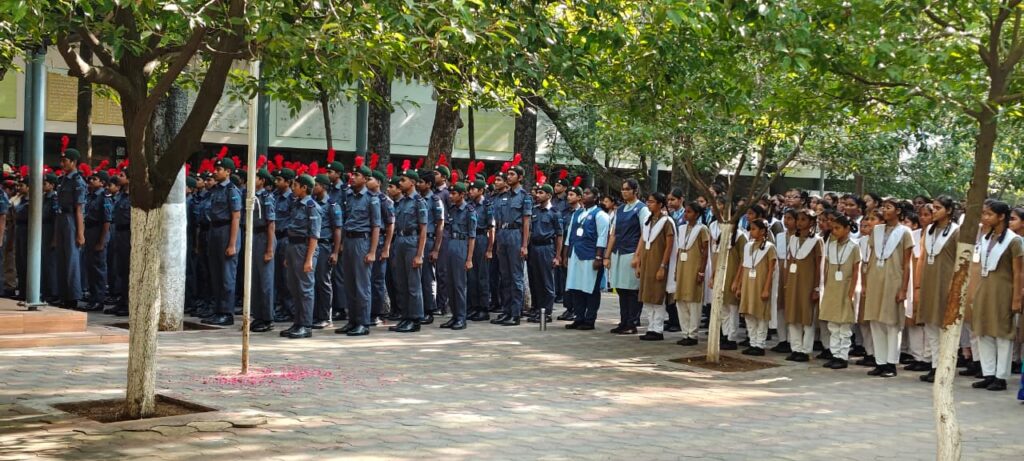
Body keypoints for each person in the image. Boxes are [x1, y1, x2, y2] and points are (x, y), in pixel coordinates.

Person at [970, 200, 1022, 391]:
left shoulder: (1014, 240)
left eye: (989, 214)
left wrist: (1016, 298)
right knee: (983, 331)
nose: (985, 217)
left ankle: (1001, 377)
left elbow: (1018, 272)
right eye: (984, 213)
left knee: (1002, 333)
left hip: (1003, 291)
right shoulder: (985, 238)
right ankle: (988, 373)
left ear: (1001, 217)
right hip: (984, 289)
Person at [863, 198, 914, 377]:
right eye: (883, 207)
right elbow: (870, 257)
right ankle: (880, 361)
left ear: (898, 211)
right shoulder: (876, 230)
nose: (884, 210)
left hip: (894, 280)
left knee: (892, 323)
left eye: (889, 207)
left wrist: (903, 289)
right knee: (875, 321)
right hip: (876, 278)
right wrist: (866, 282)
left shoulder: (905, 232)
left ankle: (891, 363)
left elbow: (907, 263)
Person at [916, 196, 960, 382]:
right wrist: (918, 286)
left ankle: (946, 369)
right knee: (931, 328)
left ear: (949, 211)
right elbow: (923, 258)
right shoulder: (929, 230)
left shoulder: (957, 231)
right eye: (933, 207)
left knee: (945, 329)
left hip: (946, 283)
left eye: (938, 208)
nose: (934, 211)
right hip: (929, 283)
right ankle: (935, 366)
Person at [335, 163, 381, 336]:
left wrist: (372, 251)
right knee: (350, 284)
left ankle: (363, 322)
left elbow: (376, 226)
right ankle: (352, 320)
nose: (352, 177)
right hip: (349, 241)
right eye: (352, 174)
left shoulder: (372, 198)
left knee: (362, 286)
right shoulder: (349, 196)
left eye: (357, 175)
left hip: (362, 242)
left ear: (365, 178)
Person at [280, 174, 322, 339]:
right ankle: (297, 322)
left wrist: (309, 258)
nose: (293, 188)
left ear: (304, 187)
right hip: (293, 247)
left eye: (296, 185)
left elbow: (314, 235)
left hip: (304, 248)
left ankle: (306, 325)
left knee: (305, 289)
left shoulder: (311, 206)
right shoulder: (297, 204)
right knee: (294, 288)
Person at [202, 157, 242, 326]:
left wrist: (232, 243)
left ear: (228, 172)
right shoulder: (215, 190)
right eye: (216, 169)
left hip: (227, 230)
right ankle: (218, 309)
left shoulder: (231, 190)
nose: (216, 171)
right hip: (215, 230)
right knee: (216, 273)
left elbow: (236, 216)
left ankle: (227, 312)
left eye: (219, 169)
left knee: (227, 275)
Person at [606, 179, 650, 335]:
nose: (624, 192)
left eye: (627, 189)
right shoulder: (621, 209)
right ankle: (623, 320)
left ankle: (632, 322)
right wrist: (607, 255)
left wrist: (638, 255)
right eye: (622, 189)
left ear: (634, 191)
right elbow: (613, 234)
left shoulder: (642, 209)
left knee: (632, 289)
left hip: (631, 251)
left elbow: (644, 234)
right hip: (618, 252)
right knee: (621, 289)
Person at [818, 214, 861, 369]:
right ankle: (834, 353)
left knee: (844, 325)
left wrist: (851, 291)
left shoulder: (854, 246)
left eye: (838, 228)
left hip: (846, 288)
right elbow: (828, 267)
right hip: (832, 289)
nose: (834, 231)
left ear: (847, 229)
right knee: (832, 324)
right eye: (833, 228)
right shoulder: (831, 244)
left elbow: (857, 270)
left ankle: (843, 356)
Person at [564, 187, 610, 330]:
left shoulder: (600, 214)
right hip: (576, 254)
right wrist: (566, 254)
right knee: (576, 287)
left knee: (590, 288)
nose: (584, 195)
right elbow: (569, 235)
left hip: (590, 255)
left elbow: (603, 236)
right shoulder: (577, 213)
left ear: (596, 197)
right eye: (584, 193)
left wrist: (599, 257)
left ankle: (590, 320)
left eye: (588, 193)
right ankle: (579, 317)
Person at [491, 167, 532, 326]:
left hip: (516, 234)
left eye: (512, 174)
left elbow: (527, 223)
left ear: (520, 177)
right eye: (508, 174)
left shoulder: (524, 197)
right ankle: (506, 311)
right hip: (502, 234)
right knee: (505, 276)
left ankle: (515, 313)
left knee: (516, 277)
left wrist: (524, 245)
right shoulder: (503, 196)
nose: (509, 176)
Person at [388, 168, 428, 333]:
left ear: (412, 182)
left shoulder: (419, 202)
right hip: (400, 240)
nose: (400, 183)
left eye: (403, 180)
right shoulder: (402, 202)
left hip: (412, 241)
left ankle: (415, 319)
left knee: (413, 284)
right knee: (401, 283)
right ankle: (405, 317)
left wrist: (419, 254)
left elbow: (423, 229)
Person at [783, 209, 822, 362]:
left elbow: (819, 265)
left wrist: (817, 287)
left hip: (808, 283)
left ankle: (806, 350)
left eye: (803, 220)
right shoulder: (793, 239)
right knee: (793, 316)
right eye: (798, 219)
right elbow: (790, 260)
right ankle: (795, 348)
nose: (799, 222)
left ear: (812, 222)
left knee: (807, 317)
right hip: (794, 282)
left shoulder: (816, 241)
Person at [734, 218, 776, 355]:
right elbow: (744, 266)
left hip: (760, 285)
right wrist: (739, 285)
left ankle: (760, 344)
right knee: (749, 315)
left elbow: (771, 269)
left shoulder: (769, 247)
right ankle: (752, 343)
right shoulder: (748, 246)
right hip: (748, 285)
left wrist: (766, 288)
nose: (751, 232)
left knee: (760, 316)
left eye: (754, 229)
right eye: (750, 229)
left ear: (763, 231)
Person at [637, 192, 674, 341]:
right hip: (647, 263)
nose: (648, 204)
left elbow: (669, 246)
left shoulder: (666, 222)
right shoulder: (648, 220)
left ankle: (657, 329)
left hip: (658, 263)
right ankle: (650, 327)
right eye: (648, 201)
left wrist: (663, 266)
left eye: (652, 202)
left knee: (657, 297)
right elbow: (643, 241)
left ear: (660, 204)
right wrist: (638, 262)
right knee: (647, 297)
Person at [440, 182, 476, 330]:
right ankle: (454, 315)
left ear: (462, 195)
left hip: (462, 245)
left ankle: (461, 317)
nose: (450, 196)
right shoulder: (452, 209)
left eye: (454, 194)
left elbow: (472, 237)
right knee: (450, 283)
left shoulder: (469, 211)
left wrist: (469, 259)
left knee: (460, 284)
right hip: (450, 244)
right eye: (450, 193)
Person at [674, 202, 709, 345]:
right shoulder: (681, 228)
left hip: (694, 269)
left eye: (689, 212)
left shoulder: (702, 229)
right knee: (681, 300)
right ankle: (685, 332)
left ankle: (692, 334)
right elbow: (679, 251)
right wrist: (676, 269)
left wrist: (701, 270)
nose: (686, 214)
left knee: (693, 302)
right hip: (682, 268)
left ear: (697, 214)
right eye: (685, 212)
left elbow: (705, 252)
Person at [526, 184, 562, 324]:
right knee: (534, 280)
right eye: (537, 192)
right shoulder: (534, 210)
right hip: (533, 247)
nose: (538, 195)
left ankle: (546, 311)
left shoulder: (554, 213)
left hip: (546, 248)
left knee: (546, 281)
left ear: (548, 195)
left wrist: (558, 256)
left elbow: (559, 235)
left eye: (541, 193)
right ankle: (537, 309)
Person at [712, 212, 747, 350]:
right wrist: (713, 275)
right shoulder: (722, 236)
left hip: (732, 277)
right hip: (722, 277)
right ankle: (725, 334)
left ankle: (732, 337)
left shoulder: (740, 237)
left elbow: (743, 261)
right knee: (723, 308)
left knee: (732, 309)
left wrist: (737, 281)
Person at [56, 149, 86, 309]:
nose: (62, 164)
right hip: (61, 218)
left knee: (72, 260)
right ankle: (63, 295)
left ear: (73, 162)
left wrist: (80, 233)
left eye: (65, 161)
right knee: (61, 258)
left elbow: (79, 209)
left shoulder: (77, 181)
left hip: (71, 220)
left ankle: (73, 297)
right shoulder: (63, 180)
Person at [312, 174, 343, 330]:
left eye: (316, 184)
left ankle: (325, 316)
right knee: (313, 282)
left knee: (323, 282)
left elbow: (337, 230)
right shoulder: (313, 203)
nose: (313, 187)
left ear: (323, 187)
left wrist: (335, 252)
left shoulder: (332, 205)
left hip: (325, 246)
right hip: (313, 245)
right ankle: (315, 314)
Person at [249, 168, 277, 333]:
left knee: (265, 281)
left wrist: (269, 249)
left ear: (263, 181)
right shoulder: (253, 196)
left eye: (256, 177)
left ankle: (267, 318)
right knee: (256, 280)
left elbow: (271, 224)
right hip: (254, 236)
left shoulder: (267, 198)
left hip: (264, 237)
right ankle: (258, 315)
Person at [82, 170, 113, 312]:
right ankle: (93, 297)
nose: (90, 181)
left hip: (98, 231)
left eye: (94, 179)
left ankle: (99, 300)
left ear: (102, 182)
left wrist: (101, 241)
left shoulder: (104, 197)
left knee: (98, 267)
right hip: (89, 231)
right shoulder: (90, 196)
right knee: (90, 266)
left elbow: (106, 221)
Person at [368, 170, 395, 325]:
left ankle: (377, 313)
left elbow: (390, 225)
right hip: (367, 242)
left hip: (379, 244)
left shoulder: (385, 200)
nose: (366, 181)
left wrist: (386, 248)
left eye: (369, 179)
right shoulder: (367, 198)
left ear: (378, 182)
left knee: (377, 280)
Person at [467, 179, 494, 321]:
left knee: (482, 276)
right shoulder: (469, 205)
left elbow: (491, 228)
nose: (470, 191)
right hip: (471, 239)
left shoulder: (487, 205)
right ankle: (474, 306)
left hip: (482, 238)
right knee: (472, 276)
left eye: (474, 189)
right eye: (470, 189)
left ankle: (484, 308)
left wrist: (490, 248)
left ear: (481, 191)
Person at [271, 167, 296, 323]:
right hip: (275, 238)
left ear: (288, 182)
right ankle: (281, 306)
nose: (276, 182)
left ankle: (290, 309)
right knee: (277, 276)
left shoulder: (292, 199)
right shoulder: (275, 196)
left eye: (279, 180)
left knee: (286, 277)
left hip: (286, 238)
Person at [107, 176, 131, 317]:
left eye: (122, 175)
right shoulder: (121, 194)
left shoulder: (135, 194)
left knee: (129, 270)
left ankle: (129, 303)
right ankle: (122, 301)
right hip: (119, 232)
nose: (119, 177)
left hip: (129, 233)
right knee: (120, 269)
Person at [41, 173, 60, 304]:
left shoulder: (54, 199)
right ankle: (46, 290)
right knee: (44, 263)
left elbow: (56, 220)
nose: (43, 186)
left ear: (52, 185)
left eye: (45, 183)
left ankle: (53, 292)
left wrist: (54, 238)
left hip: (50, 230)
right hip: (43, 229)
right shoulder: (44, 198)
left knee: (51, 264)